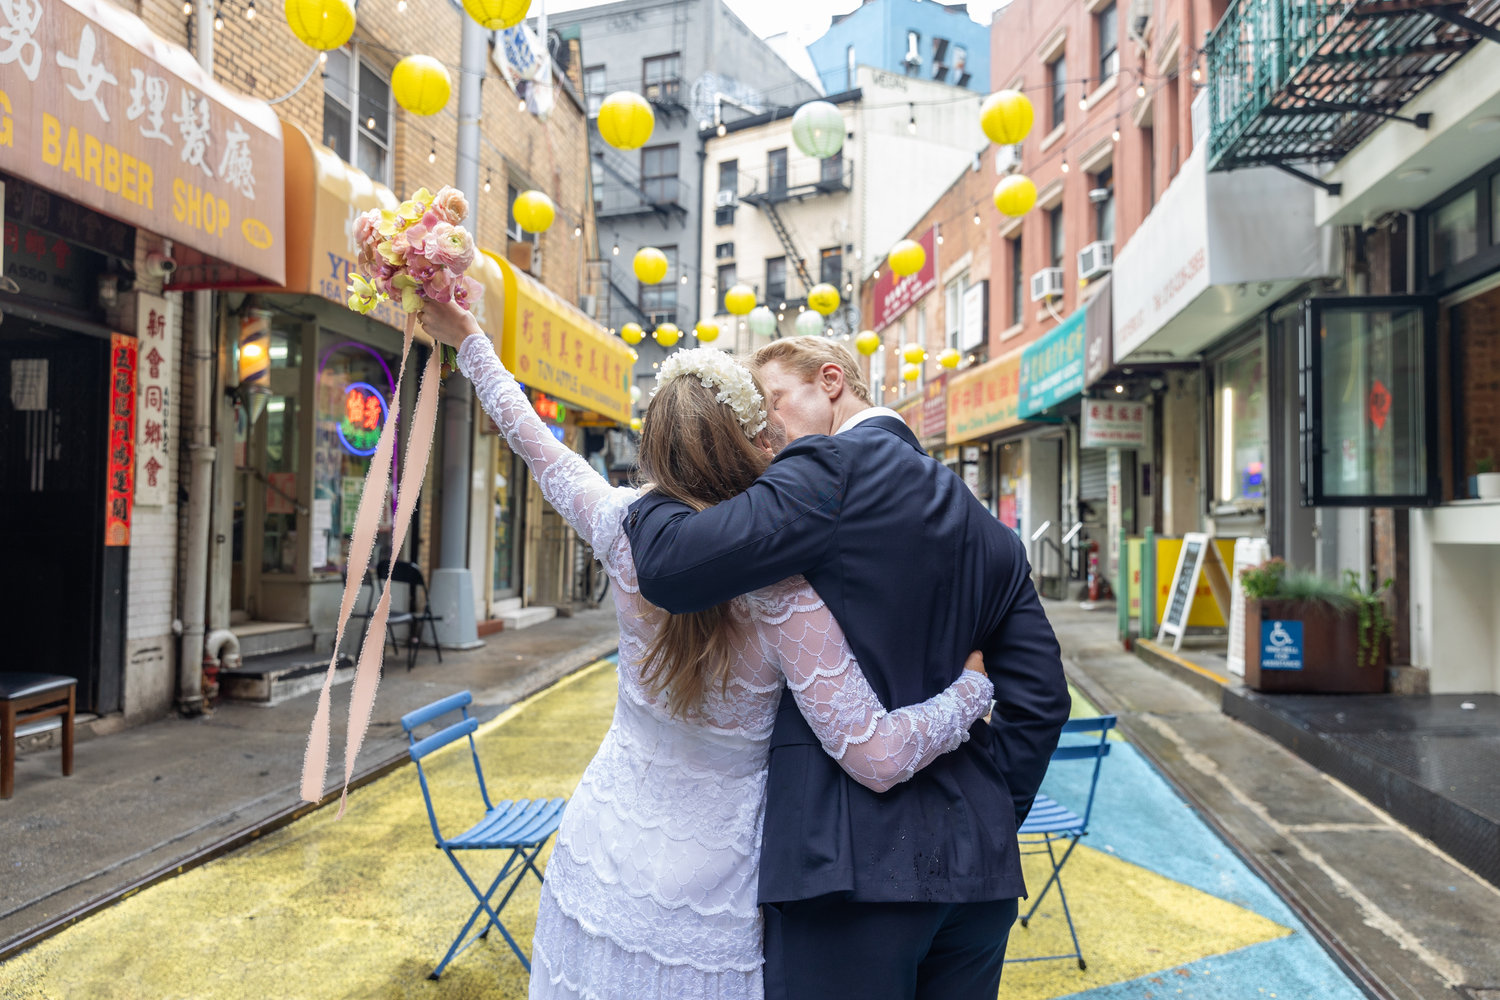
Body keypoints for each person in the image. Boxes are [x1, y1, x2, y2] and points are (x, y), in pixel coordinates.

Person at [419, 298, 995, 1000]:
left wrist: (469, 335)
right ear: (748, 445)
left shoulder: (622, 525)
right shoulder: (786, 594)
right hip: (717, 882)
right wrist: (972, 691)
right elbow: (875, 756)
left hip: (603, 847)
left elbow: (531, 438)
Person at [624, 336, 1072, 1000]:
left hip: (843, 873)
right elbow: (1043, 701)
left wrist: (665, 478)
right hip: (978, 878)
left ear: (830, 381)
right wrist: (986, 816)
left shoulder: (825, 472)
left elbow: (671, 565)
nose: (765, 431)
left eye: (772, 402)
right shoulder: (990, 530)